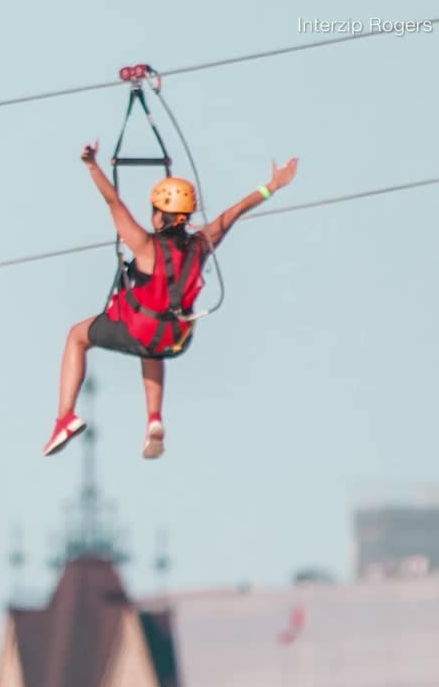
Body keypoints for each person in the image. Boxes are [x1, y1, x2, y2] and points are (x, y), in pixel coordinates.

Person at [42, 140, 299, 459]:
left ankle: (65, 417)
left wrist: (92, 165)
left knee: (77, 336)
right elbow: (234, 212)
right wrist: (272, 186)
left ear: (159, 214)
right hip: (175, 337)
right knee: (152, 343)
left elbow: (112, 201)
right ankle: (154, 419)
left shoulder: (146, 246)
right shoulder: (201, 244)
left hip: (141, 329)